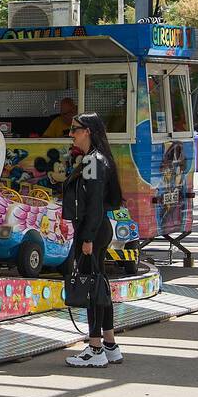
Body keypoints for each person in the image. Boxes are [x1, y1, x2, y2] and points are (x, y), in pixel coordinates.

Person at [63, 113, 125, 368]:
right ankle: (110, 344)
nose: (71, 134)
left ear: (87, 131)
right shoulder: (100, 159)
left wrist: (86, 237)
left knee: (91, 289)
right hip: (99, 229)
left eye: (74, 129)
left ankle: (95, 347)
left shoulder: (92, 161)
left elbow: (94, 203)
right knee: (99, 286)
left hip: (92, 230)